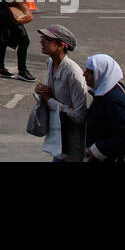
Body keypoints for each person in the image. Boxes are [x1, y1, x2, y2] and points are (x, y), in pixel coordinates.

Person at [35, 25, 87, 161]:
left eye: (47, 39)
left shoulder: (73, 73)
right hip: (57, 134)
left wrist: (50, 101)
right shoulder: (50, 63)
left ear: (61, 45)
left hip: (70, 139)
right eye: (42, 38)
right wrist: (44, 91)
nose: (42, 41)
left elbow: (80, 116)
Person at [83, 54, 125, 162]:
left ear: (101, 74)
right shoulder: (107, 90)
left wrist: (98, 149)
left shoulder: (112, 100)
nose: (84, 74)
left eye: (89, 72)